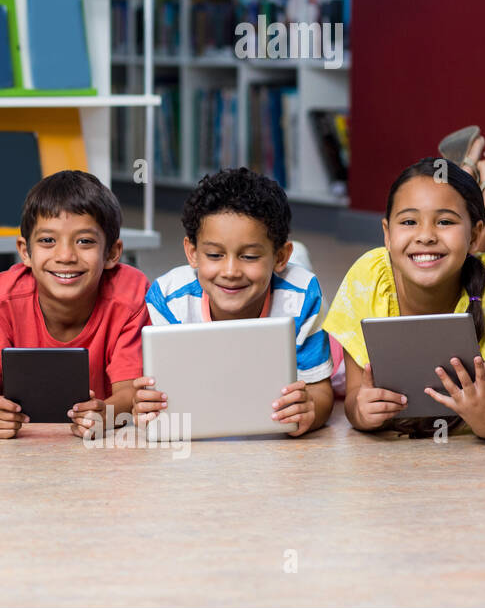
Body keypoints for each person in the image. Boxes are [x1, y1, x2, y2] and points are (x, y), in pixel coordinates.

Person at [132, 167, 334, 436]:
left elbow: (320, 391)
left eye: (249, 256)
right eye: (214, 255)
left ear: (280, 256)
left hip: (287, 288)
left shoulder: (302, 296)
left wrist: (310, 410)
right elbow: (153, 390)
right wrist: (144, 405)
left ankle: (297, 258)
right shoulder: (166, 299)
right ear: (192, 253)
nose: (230, 272)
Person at [0, 171, 150, 439]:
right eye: (48, 240)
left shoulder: (130, 295)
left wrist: (104, 414)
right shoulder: (4, 298)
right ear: (25, 252)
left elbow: (131, 392)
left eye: (85, 241)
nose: (65, 256)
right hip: (16, 451)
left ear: (112, 253)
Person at [322, 158, 485, 438]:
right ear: (387, 234)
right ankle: (469, 167)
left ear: (474, 234)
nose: (425, 236)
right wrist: (362, 412)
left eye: (445, 221)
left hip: (475, 259)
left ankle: (476, 173)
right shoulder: (369, 277)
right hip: (464, 251)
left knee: (471, 259)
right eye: (409, 221)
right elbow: (354, 401)